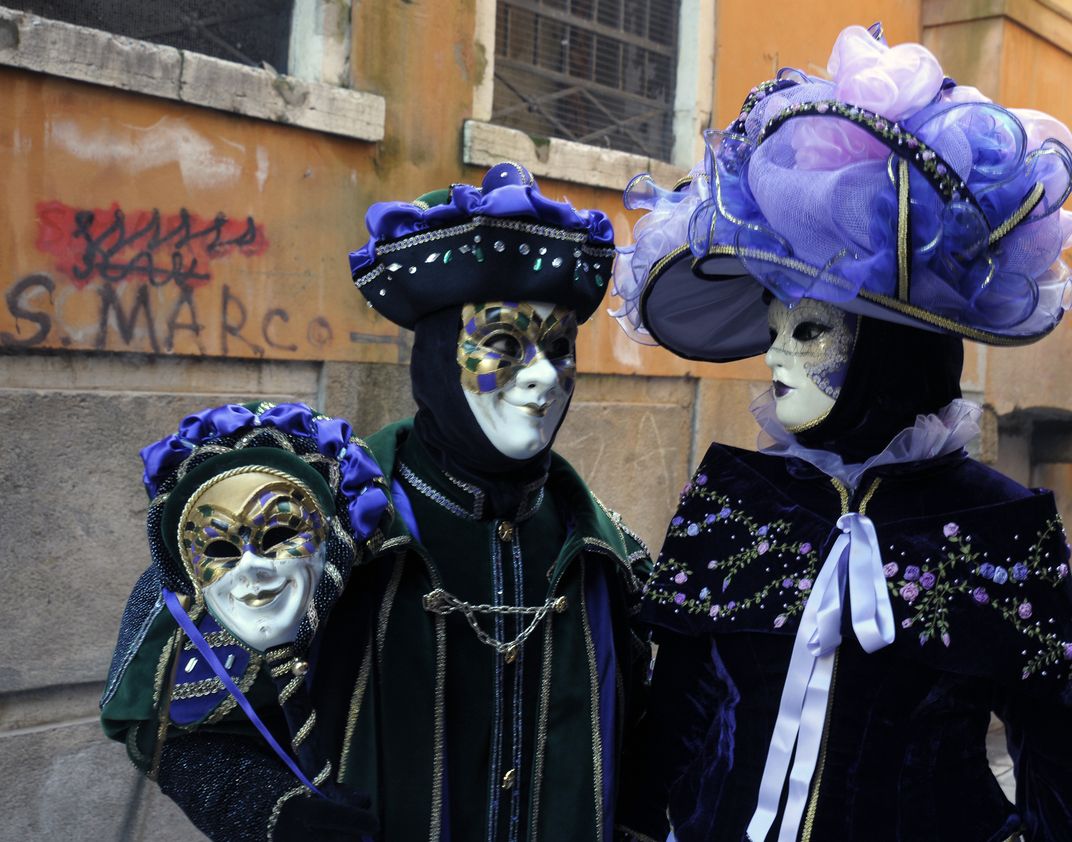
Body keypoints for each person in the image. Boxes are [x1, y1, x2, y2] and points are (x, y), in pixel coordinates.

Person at [611, 24, 1072, 842]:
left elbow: (1056, 761)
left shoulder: (1000, 529)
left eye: (812, 332)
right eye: (775, 324)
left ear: (894, 354)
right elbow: (672, 736)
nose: (776, 356)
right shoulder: (736, 504)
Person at [102, 162, 653, 841]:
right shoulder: (317, 523)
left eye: (560, 348)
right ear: (435, 357)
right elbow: (171, 725)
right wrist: (274, 815)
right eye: (506, 345)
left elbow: (651, 749)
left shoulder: (608, 560)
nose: (542, 377)